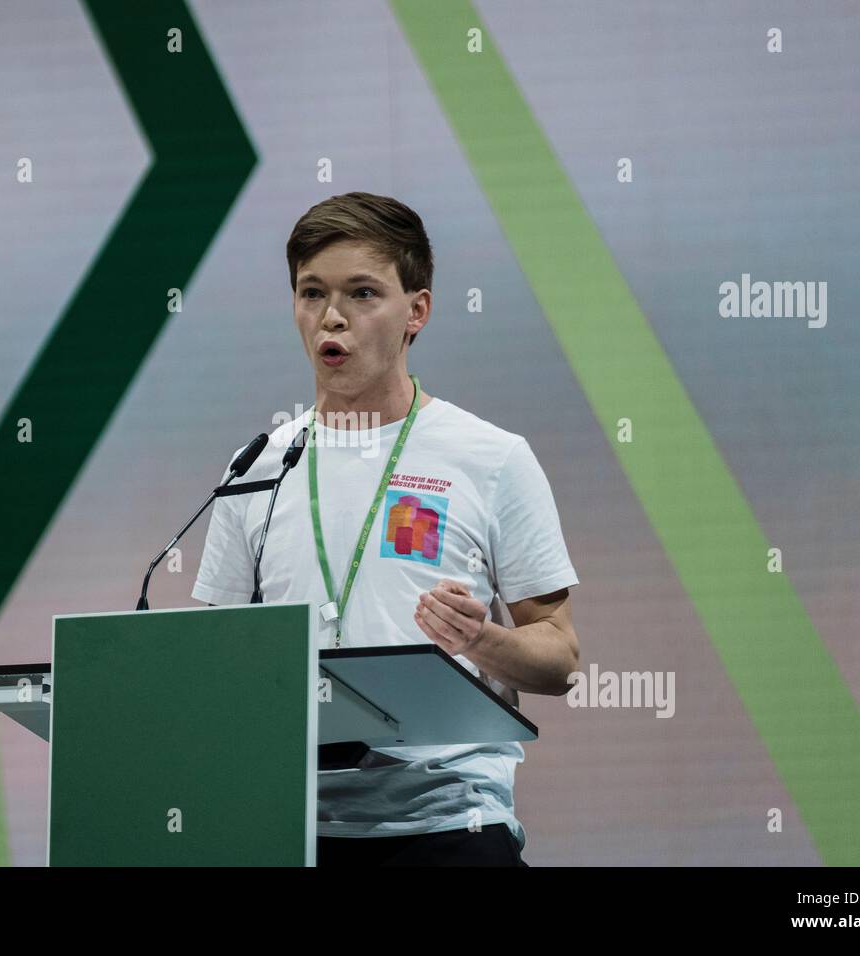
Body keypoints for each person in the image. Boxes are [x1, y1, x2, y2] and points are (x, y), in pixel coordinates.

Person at [192, 191, 579, 866]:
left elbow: (561, 661)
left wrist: (480, 639)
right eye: (311, 293)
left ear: (416, 312)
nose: (332, 317)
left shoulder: (491, 458)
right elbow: (215, 663)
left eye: (362, 293)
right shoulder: (256, 467)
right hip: (288, 832)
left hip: (451, 829)